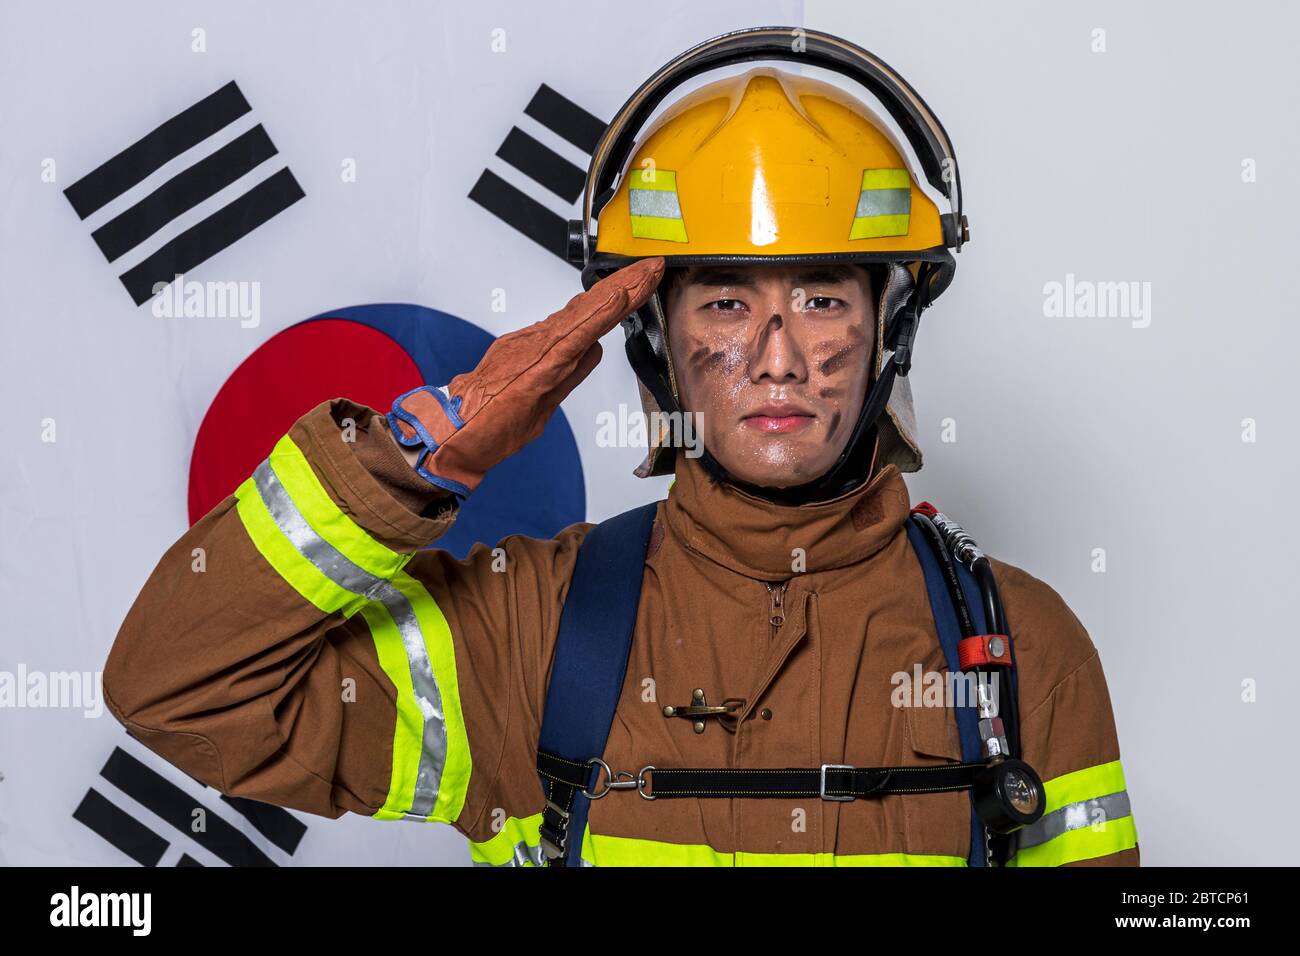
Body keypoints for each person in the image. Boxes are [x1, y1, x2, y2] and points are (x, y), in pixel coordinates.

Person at [103, 29, 1138, 867]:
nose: (777, 358)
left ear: (889, 330)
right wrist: (420, 452)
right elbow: (179, 687)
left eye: (824, 297)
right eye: (725, 300)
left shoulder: (1015, 649)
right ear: (653, 342)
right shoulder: (523, 633)